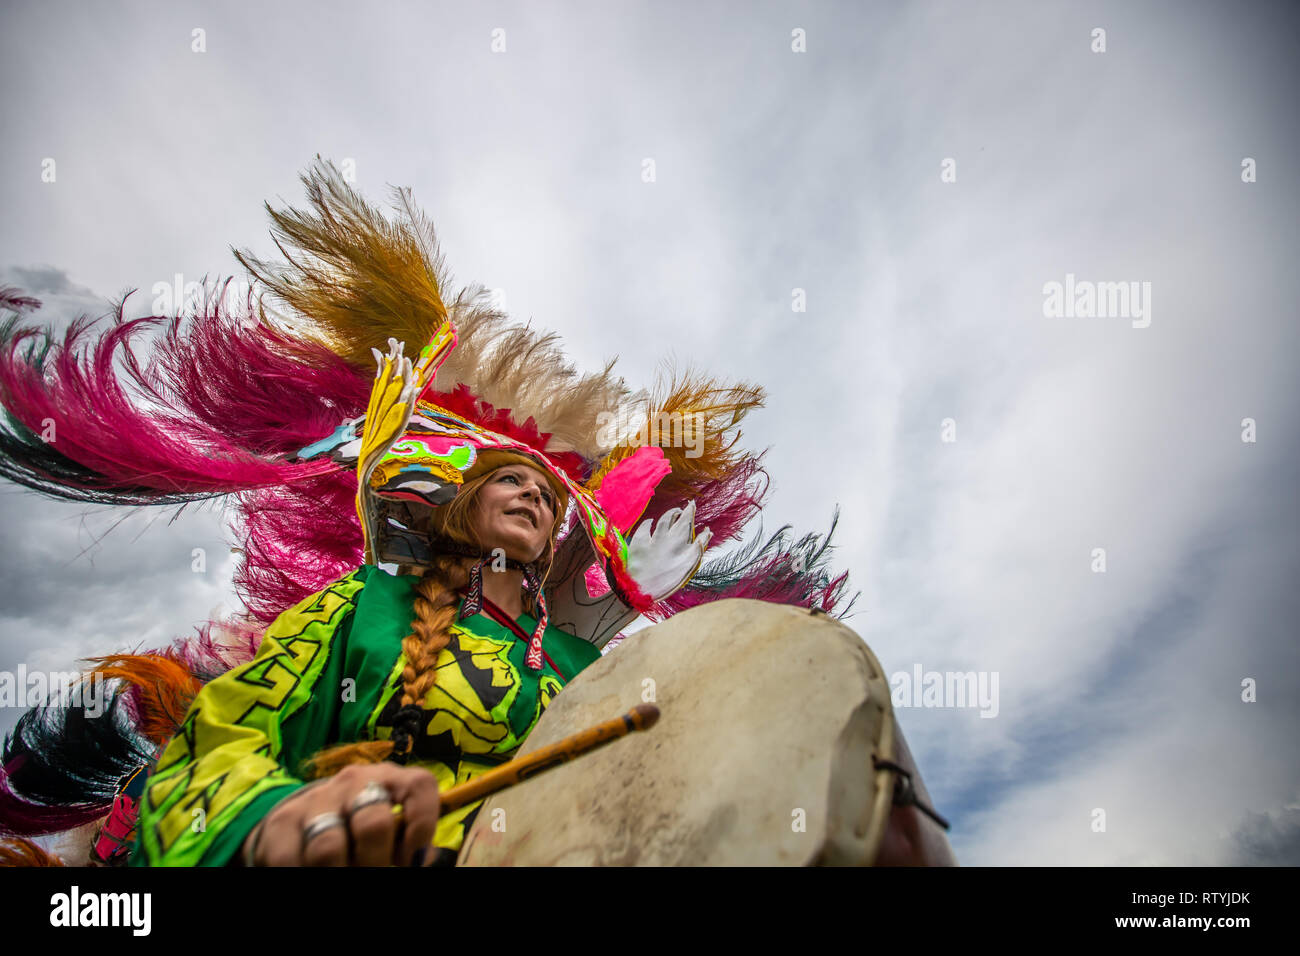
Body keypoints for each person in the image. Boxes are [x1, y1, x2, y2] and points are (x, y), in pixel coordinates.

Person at [0, 158, 853, 867]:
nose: (532, 490)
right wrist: (277, 825)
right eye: (510, 479)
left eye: (548, 493)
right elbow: (216, 745)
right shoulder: (363, 610)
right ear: (457, 504)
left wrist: (614, 612)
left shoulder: (574, 664)